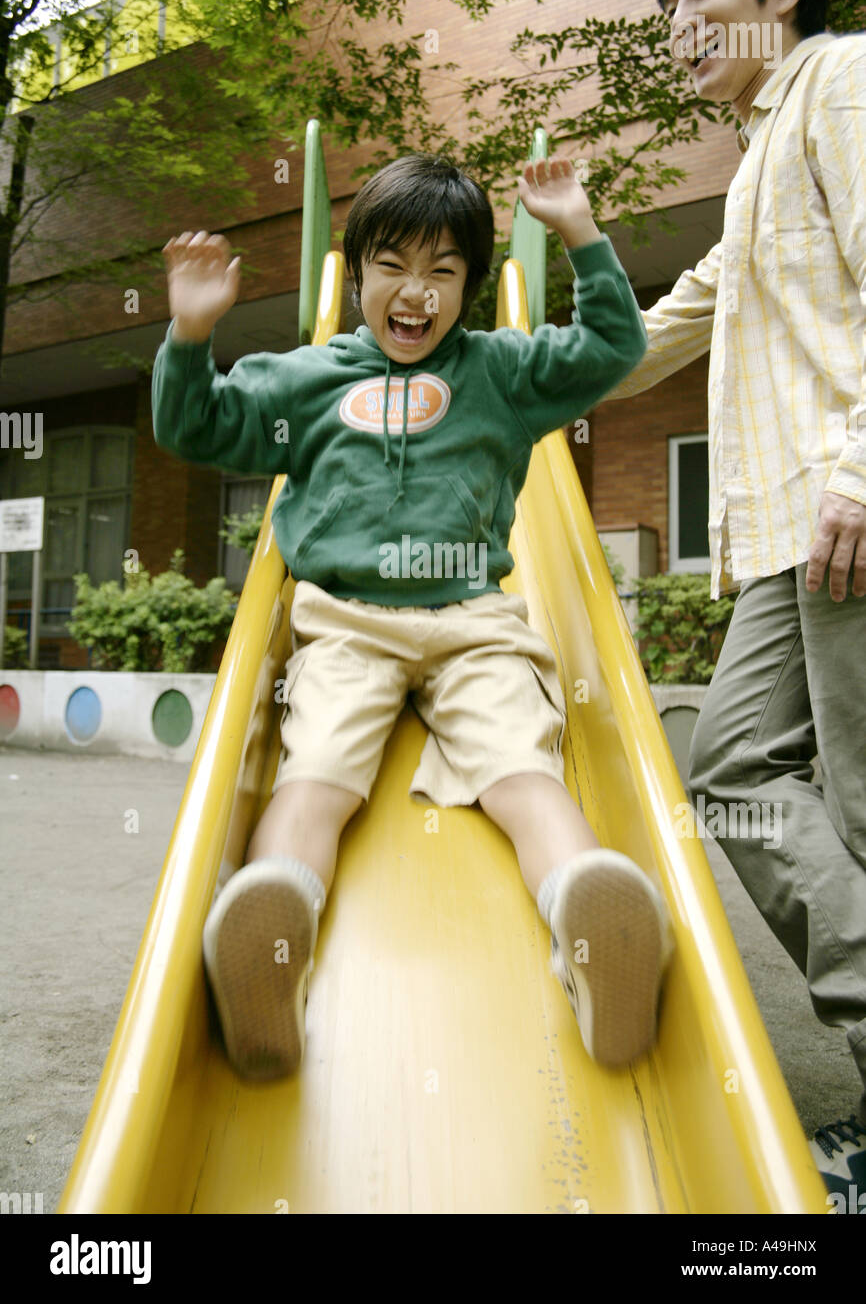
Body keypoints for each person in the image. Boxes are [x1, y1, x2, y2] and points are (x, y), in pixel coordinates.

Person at [152, 152, 673, 1084]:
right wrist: (190, 336)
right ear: (357, 276)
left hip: (475, 620)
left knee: (522, 767)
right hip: (345, 623)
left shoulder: (501, 372)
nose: (415, 292)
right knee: (316, 775)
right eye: (392, 265)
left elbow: (612, 350)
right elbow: (197, 427)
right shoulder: (306, 380)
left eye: (443, 271)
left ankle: (588, 918)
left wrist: (581, 234)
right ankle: (277, 931)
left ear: (471, 287)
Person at [600, 0, 866, 1205]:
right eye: (666, 7)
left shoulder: (844, 83)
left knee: (858, 809)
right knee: (735, 763)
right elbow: (676, 316)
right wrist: (510, 387)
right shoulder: (758, 151)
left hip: (849, 503)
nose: (681, 24)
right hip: (784, 536)